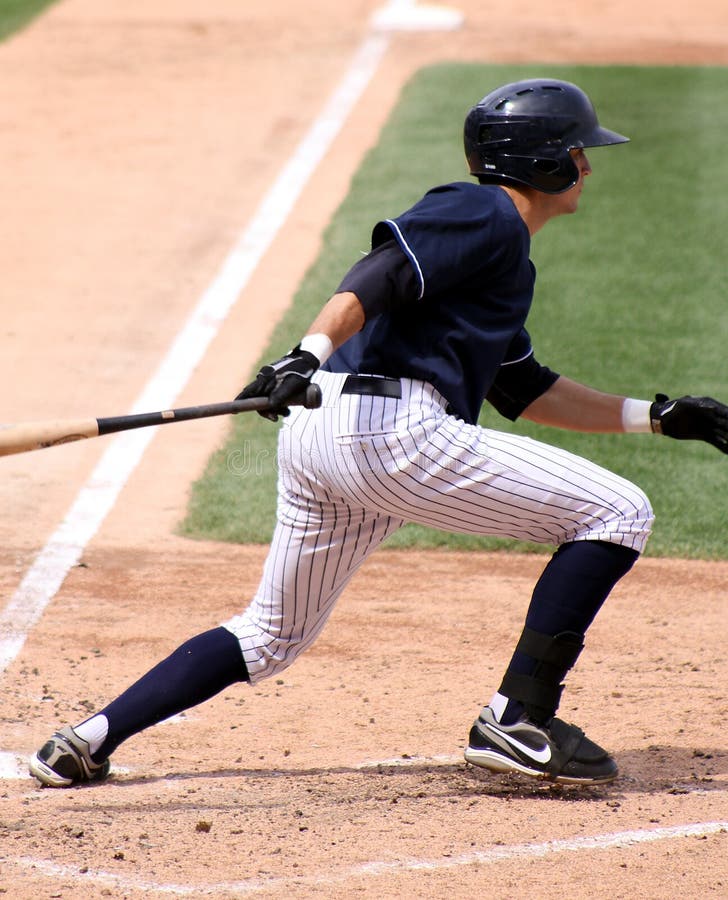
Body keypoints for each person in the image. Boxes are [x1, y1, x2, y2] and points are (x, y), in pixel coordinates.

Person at [29, 78, 728, 789]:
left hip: (324, 434)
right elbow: (382, 272)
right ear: (544, 162)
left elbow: (526, 387)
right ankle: (519, 720)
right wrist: (307, 349)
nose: (587, 167)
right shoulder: (481, 209)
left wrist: (660, 415)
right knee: (619, 511)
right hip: (388, 433)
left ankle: (86, 739)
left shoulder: (499, 259)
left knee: (270, 636)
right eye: (578, 152)